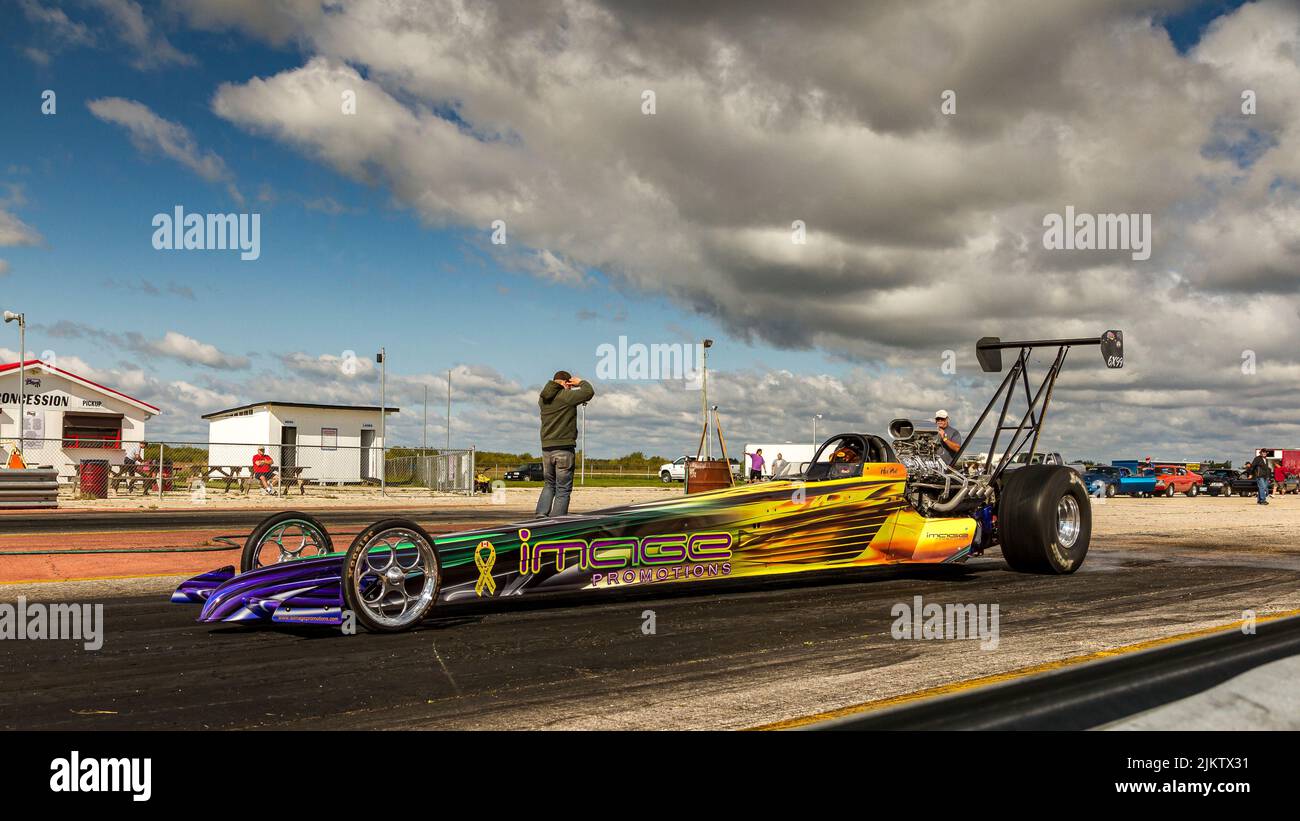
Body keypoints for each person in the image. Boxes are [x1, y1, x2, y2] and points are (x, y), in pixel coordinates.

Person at [535, 370, 594, 517]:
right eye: (569, 385)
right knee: (563, 488)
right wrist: (580, 382)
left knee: (549, 484)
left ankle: (540, 515)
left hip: (547, 448)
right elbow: (589, 391)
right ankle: (557, 522)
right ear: (566, 383)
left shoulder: (543, 400)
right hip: (564, 449)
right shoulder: (566, 397)